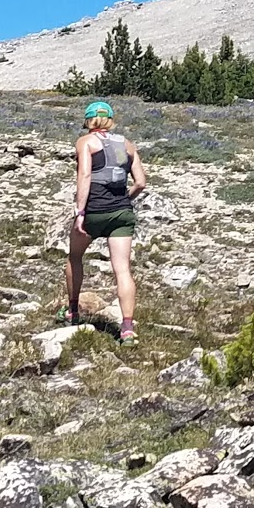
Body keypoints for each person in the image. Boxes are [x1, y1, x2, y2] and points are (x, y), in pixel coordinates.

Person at [61, 100, 147, 344]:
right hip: (121, 212)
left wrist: (80, 211)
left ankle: (73, 310)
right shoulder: (127, 145)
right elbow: (140, 182)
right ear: (110, 119)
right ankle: (127, 328)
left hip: (94, 210)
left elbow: (85, 175)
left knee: (75, 256)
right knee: (122, 269)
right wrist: (125, 200)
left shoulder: (86, 142)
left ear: (88, 121)